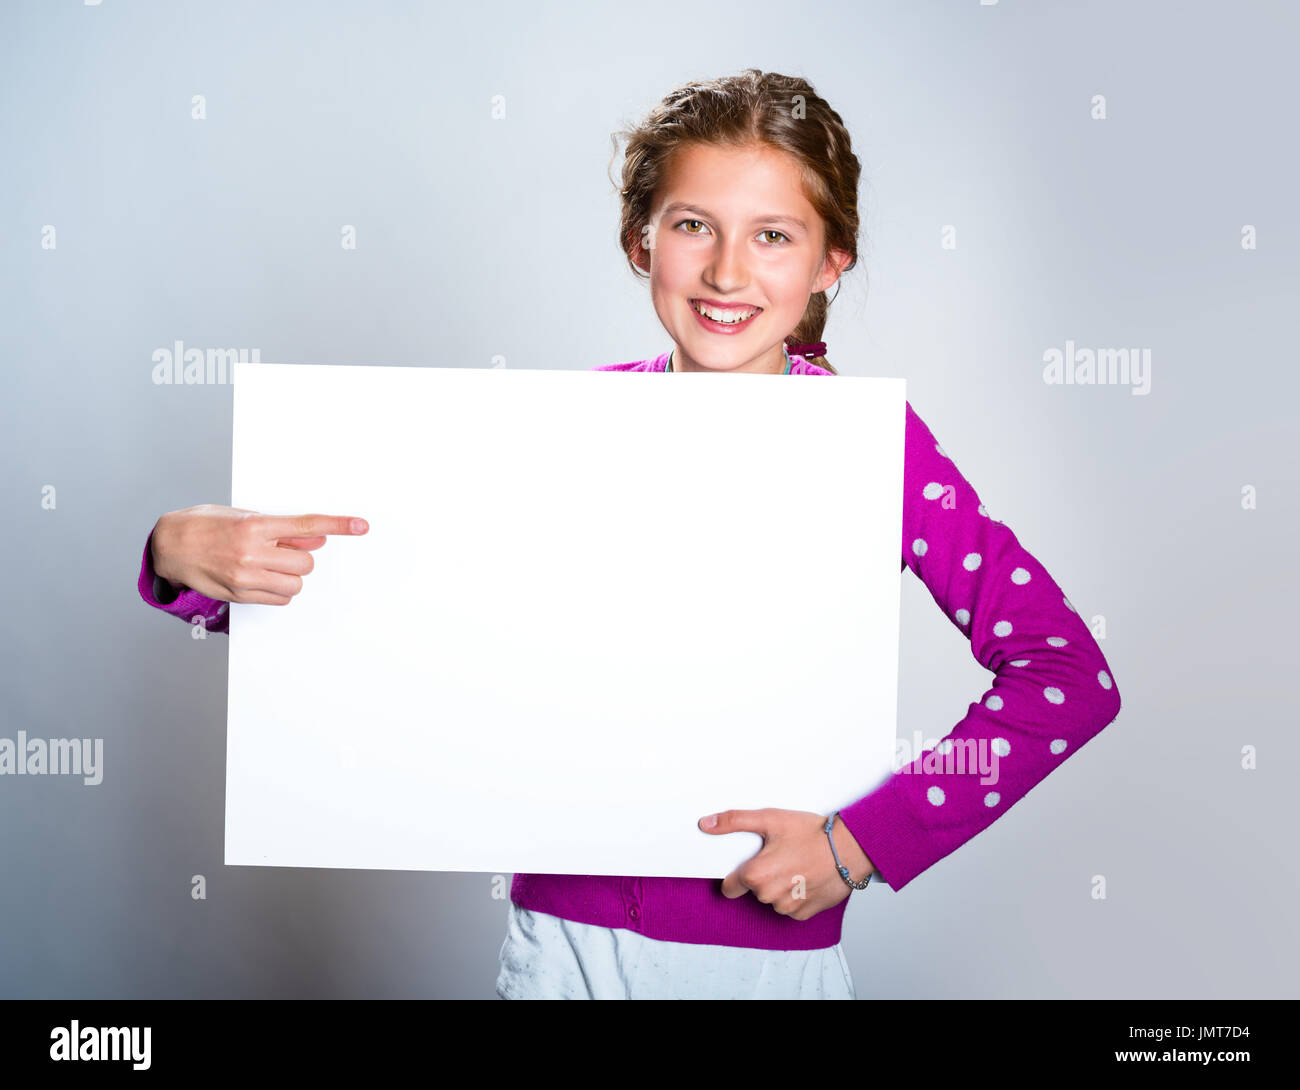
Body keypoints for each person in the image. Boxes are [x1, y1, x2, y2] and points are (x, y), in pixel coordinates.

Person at [137, 69, 1122, 1000]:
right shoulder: (562, 431)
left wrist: (856, 845)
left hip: (763, 964)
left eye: (772, 236)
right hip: (558, 949)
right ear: (641, 240)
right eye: (694, 225)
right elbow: (395, 616)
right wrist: (184, 564)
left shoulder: (873, 450)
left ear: (829, 263)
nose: (728, 269)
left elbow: (1066, 677)